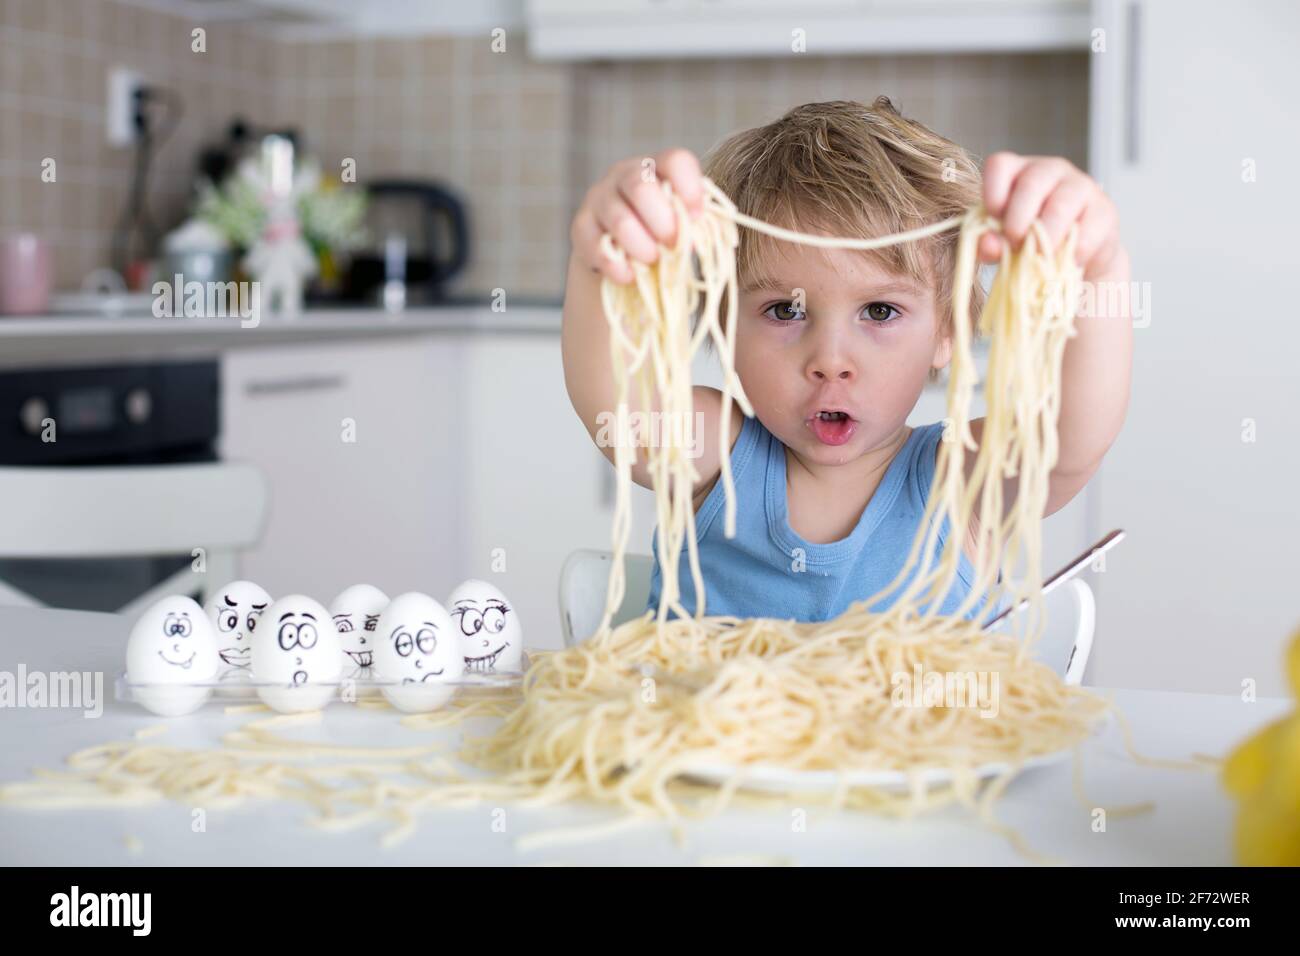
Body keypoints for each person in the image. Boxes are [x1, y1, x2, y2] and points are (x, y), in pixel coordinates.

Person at [561, 98, 1131, 623]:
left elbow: (1069, 440)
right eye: (785, 310)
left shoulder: (960, 484)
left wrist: (1097, 268)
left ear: (947, 331)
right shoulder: (717, 458)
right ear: (724, 324)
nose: (830, 360)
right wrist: (604, 263)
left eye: (879, 311)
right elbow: (620, 405)